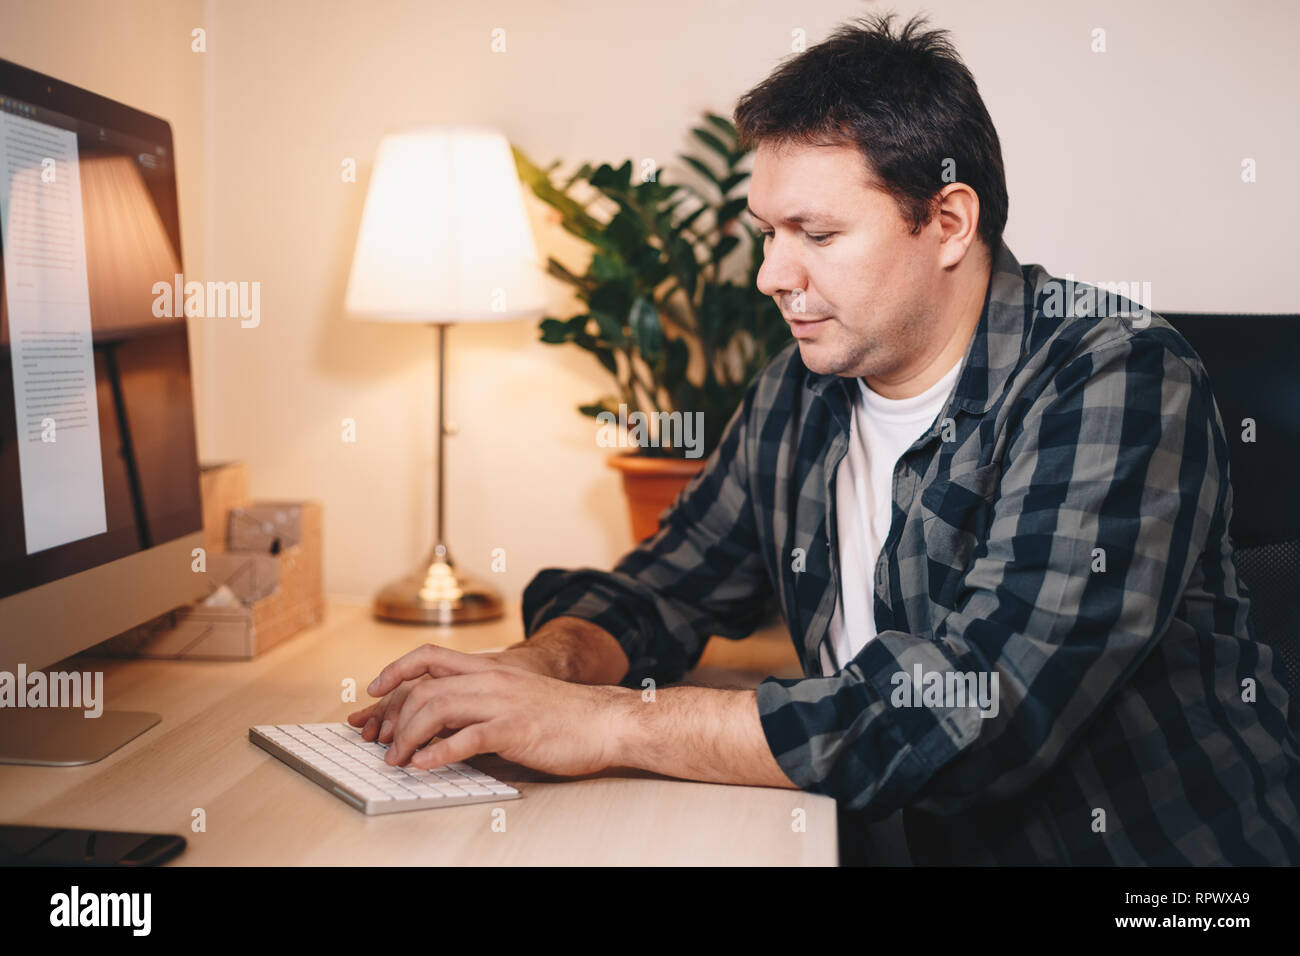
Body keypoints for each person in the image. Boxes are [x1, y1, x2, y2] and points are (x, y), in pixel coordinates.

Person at [348, 13, 1300, 865]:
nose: (771, 273)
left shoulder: (1115, 376)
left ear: (948, 220)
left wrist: (605, 723)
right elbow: (663, 589)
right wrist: (541, 671)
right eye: (766, 231)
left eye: (815, 232)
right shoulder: (801, 394)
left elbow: (975, 708)